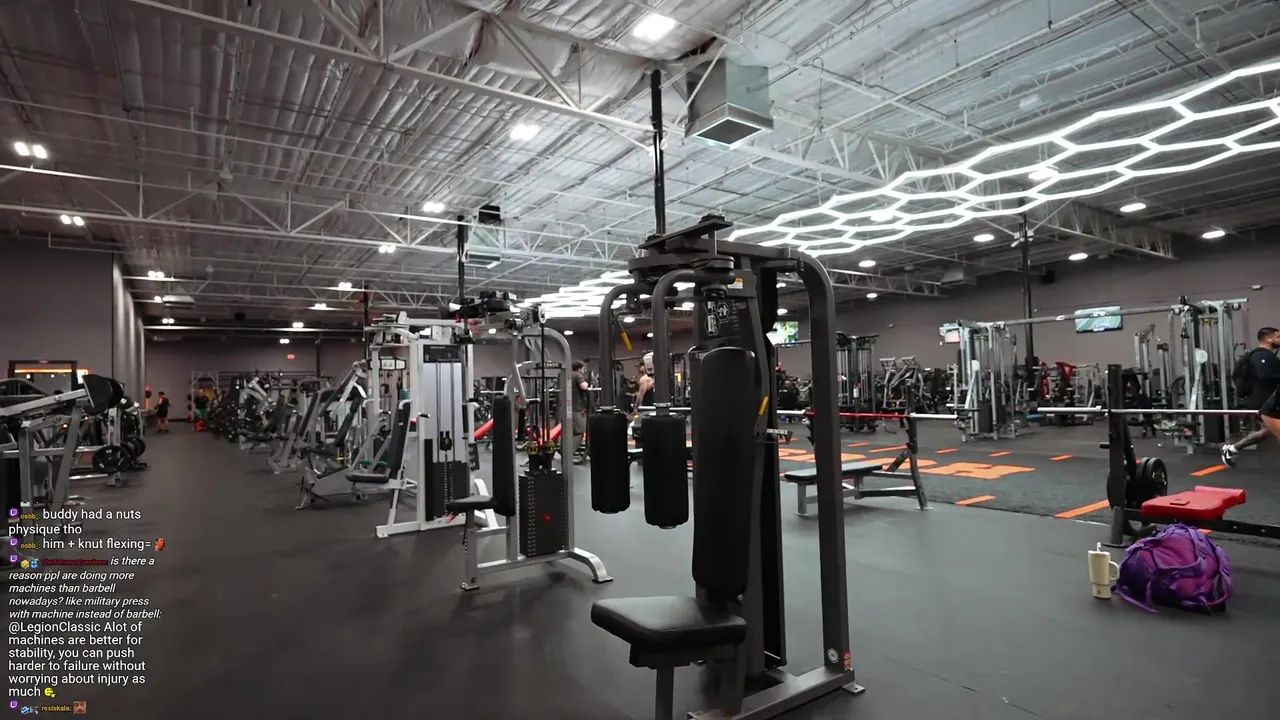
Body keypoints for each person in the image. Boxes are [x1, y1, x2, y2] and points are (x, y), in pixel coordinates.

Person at [1221, 327, 1280, 466]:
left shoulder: (1268, 355)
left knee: (1268, 431)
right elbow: (1265, 375)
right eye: (1278, 337)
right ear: (1268, 339)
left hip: (1270, 399)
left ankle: (1232, 449)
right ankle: (1232, 449)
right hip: (1264, 400)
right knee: (1272, 429)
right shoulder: (1261, 355)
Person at [570, 360, 591, 464]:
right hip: (576, 408)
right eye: (583, 368)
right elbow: (584, 386)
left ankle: (566, 452)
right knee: (580, 432)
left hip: (566, 407)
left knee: (571, 432)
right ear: (579, 368)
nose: (584, 370)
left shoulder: (567, 375)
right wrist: (587, 383)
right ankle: (569, 454)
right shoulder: (578, 375)